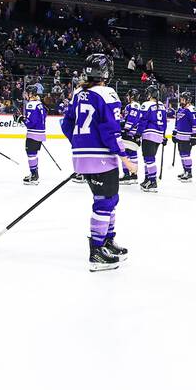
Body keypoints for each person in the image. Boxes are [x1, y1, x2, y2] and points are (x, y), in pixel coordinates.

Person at [67, 53, 133, 271]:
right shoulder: (107, 93)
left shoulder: (78, 93)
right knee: (105, 201)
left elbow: (67, 124)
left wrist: (80, 146)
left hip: (84, 156)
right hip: (102, 158)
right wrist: (126, 159)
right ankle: (96, 251)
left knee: (109, 199)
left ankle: (106, 242)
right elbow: (110, 131)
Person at [137, 88, 167, 193]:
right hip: (158, 135)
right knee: (148, 158)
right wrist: (163, 135)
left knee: (149, 159)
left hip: (149, 134)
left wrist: (138, 133)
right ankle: (148, 179)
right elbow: (164, 122)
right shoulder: (162, 106)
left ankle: (153, 181)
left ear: (150, 94)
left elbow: (143, 120)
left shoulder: (146, 104)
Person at [20, 86, 47, 186]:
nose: (25, 95)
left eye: (27, 93)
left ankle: (34, 175)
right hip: (40, 133)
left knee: (31, 154)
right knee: (34, 154)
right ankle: (35, 174)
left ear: (31, 94)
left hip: (33, 134)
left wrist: (21, 119)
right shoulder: (39, 104)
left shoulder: (31, 105)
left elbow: (30, 123)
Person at [172, 93, 196, 182]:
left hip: (187, 137)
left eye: (183, 99)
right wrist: (175, 132)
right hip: (180, 136)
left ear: (188, 100)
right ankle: (185, 171)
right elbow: (177, 122)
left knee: (186, 155)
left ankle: (189, 172)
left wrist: (194, 136)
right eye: (181, 99)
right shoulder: (180, 109)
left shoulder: (191, 110)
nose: (181, 101)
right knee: (182, 154)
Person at [119, 90, 142, 184]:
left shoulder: (133, 106)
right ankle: (134, 175)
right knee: (133, 154)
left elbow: (132, 119)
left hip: (129, 133)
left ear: (132, 96)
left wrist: (125, 130)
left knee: (124, 153)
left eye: (128, 95)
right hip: (134, 133)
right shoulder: (137, 105)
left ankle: (127, 175)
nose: (127, 97)